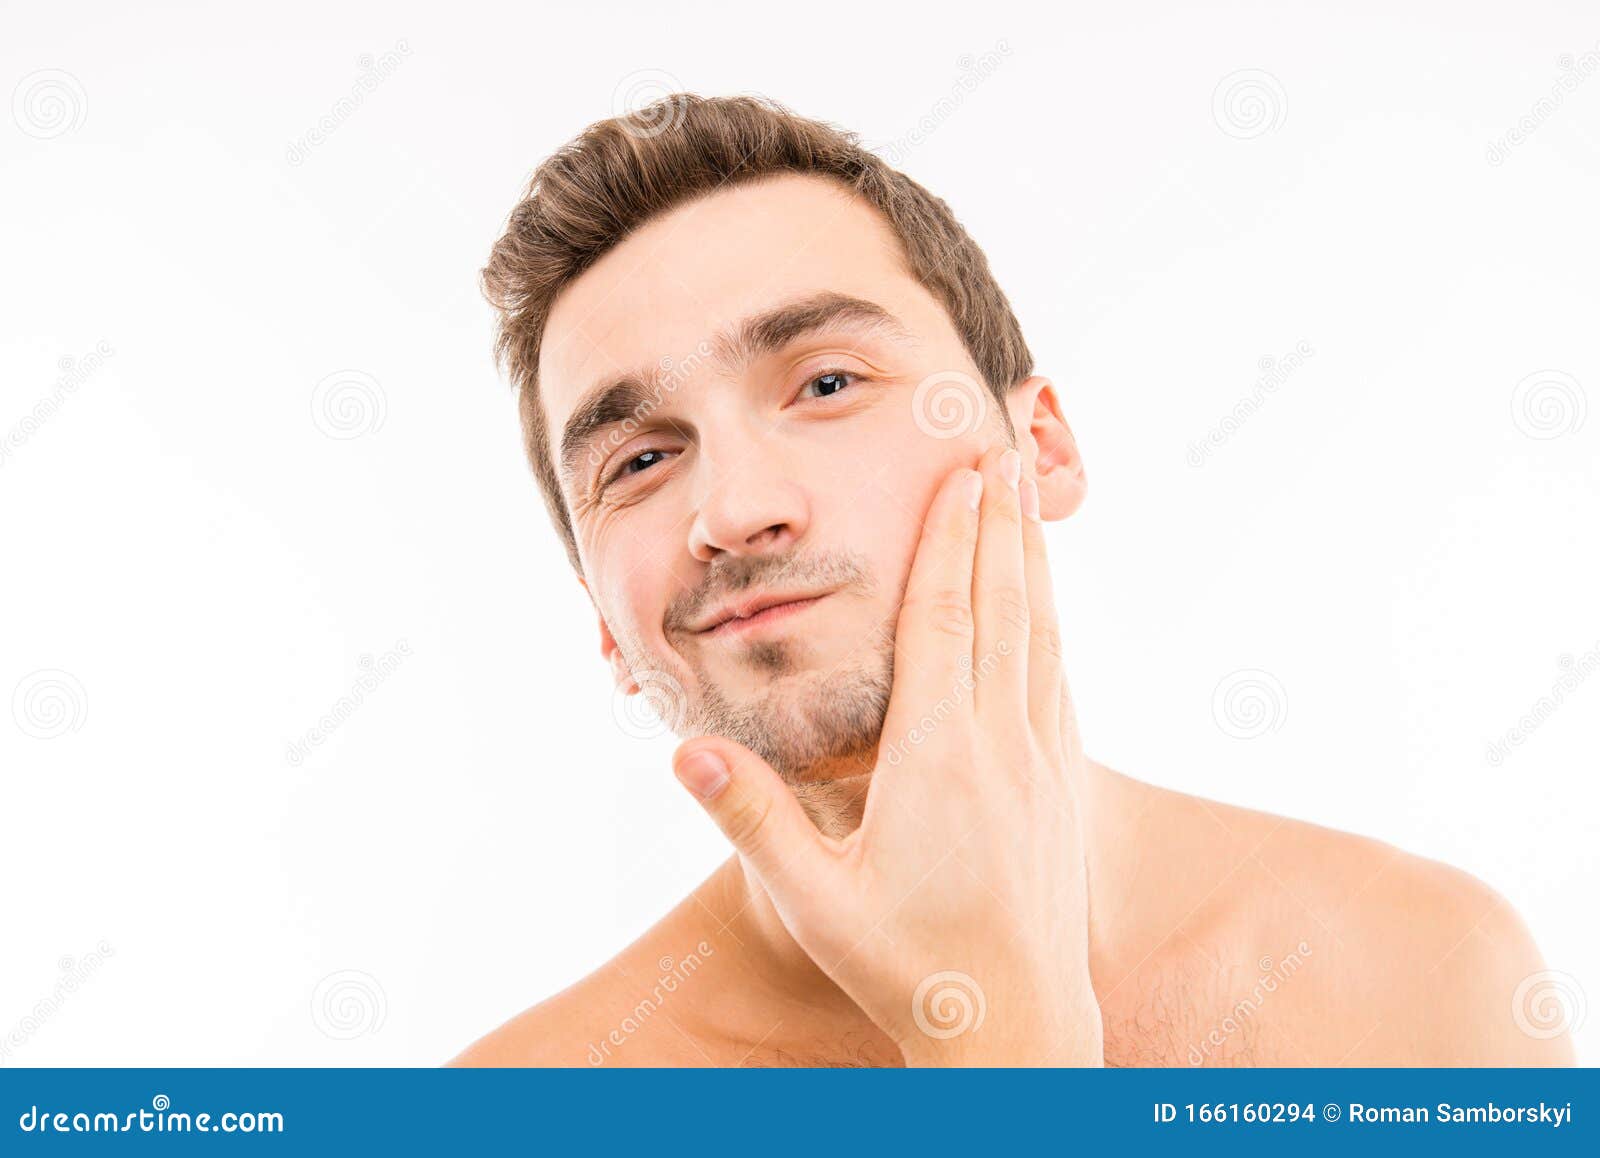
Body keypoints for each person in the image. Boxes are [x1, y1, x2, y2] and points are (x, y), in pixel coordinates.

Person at [451, 95, 1571, 1067]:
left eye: (828, 382)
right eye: (640, 461)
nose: (733, 511)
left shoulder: (1423, 976)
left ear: (1039, 448)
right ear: (603, 620)